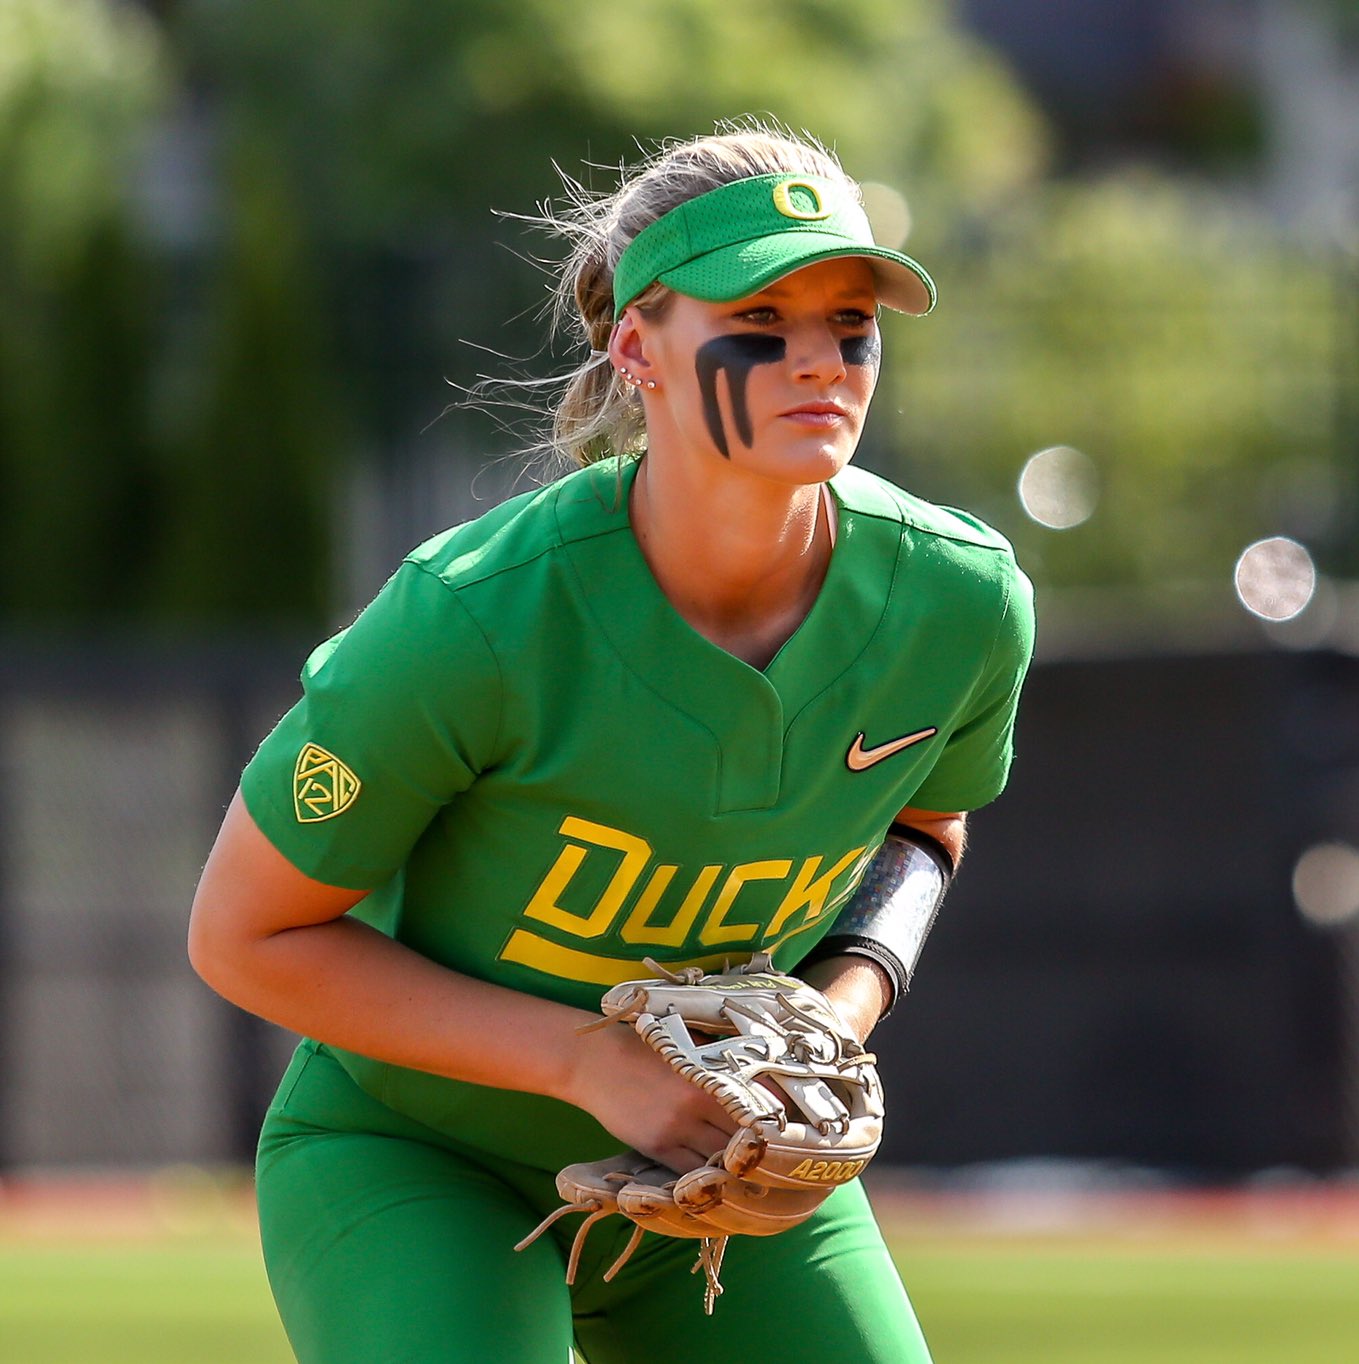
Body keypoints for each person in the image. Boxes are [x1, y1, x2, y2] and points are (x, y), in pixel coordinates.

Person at [187, 123, 1033, 1364]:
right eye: (761, 315)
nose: (821, 360)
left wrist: (829, 1022)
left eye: (850, 322)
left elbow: (921, 823)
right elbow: (244, 933)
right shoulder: (477, 615)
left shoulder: (958, 600)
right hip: (423, 1153)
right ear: (637, 345)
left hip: (722, 1155)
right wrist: (589, 1059)